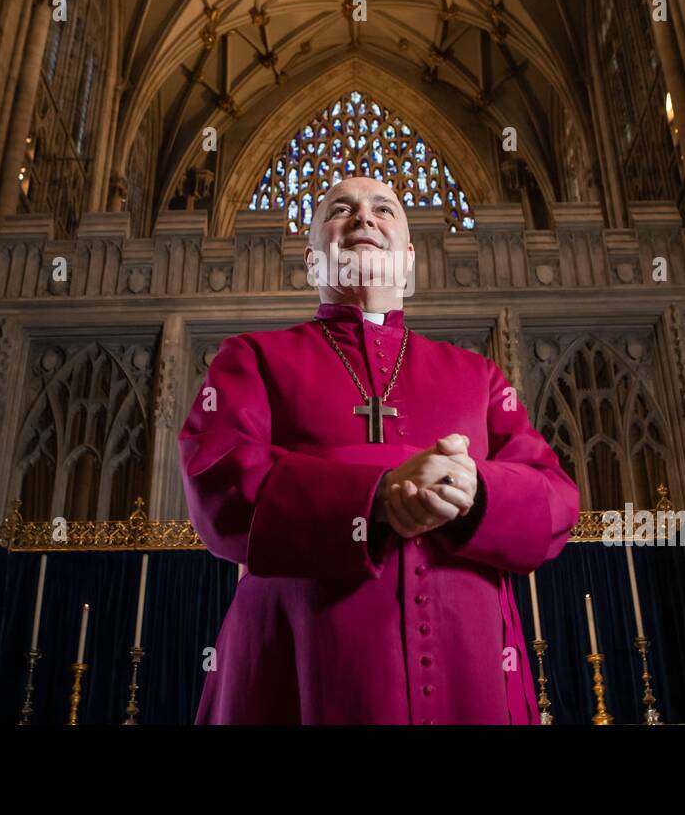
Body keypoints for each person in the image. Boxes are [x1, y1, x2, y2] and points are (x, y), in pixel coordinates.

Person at [179, 176, 580, 723]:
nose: (364, 218)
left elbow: (556, 498)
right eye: (341, 210)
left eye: (384, 209)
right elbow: (217, 479)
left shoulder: (477, 375)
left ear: (409, 259)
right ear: (313, 259)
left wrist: (479, 492)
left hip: (470, 667)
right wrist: (376, 494)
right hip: (297, 666)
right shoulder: (250, 358)